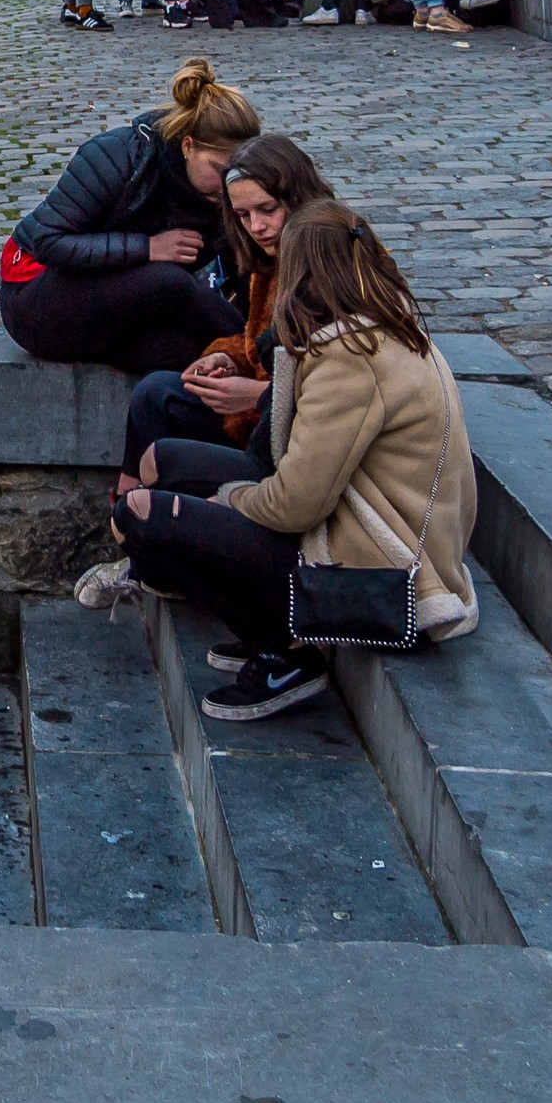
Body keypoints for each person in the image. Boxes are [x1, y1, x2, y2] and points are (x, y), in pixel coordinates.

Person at [95, 201, 479, 722]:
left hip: (378, 574)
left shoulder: (351, 357)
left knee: (141, 514)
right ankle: (274, 628)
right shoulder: (379, 325)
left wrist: (225, 501)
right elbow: (288, 462)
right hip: (356, 523)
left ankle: (285, 649)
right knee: (160, 461)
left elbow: (295, 504)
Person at [0, 57, 261, 373]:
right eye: (218, 169)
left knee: (192, 355)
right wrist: (148, 248)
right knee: (171, 282)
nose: (226, 182)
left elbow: (245, 269)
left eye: (236, 172)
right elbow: (49, 242)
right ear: (188, 146)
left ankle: (265, 385)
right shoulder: (117, 154)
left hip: (120, 313)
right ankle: (261, 360)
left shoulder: (225, 189)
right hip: (34, 298)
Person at [112, 135, 337, 503]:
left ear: (296, 198)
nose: (257, 226)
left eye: (267, 210)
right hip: (264, 416)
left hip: (297, 448)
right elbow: (259, 341)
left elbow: (342, 391)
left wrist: (258, 396)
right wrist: (227, 359)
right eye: (244, 215)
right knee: (155, 394)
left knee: (166, 459)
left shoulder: (331, 268)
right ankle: (130, 508)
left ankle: (152, 519)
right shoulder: (271, 259)